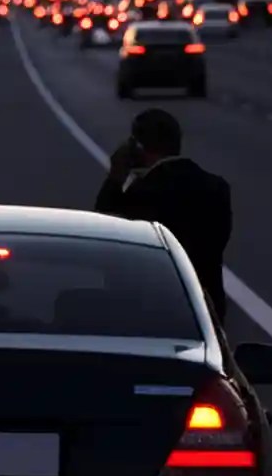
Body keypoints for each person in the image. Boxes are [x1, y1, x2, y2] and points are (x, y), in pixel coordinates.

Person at [94, 108, 232, 322]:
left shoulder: (142, 194)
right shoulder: (217, 188)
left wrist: (115, 177)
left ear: (137, 148)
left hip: (155, 312)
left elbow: (104, 226)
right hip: (206, 310)